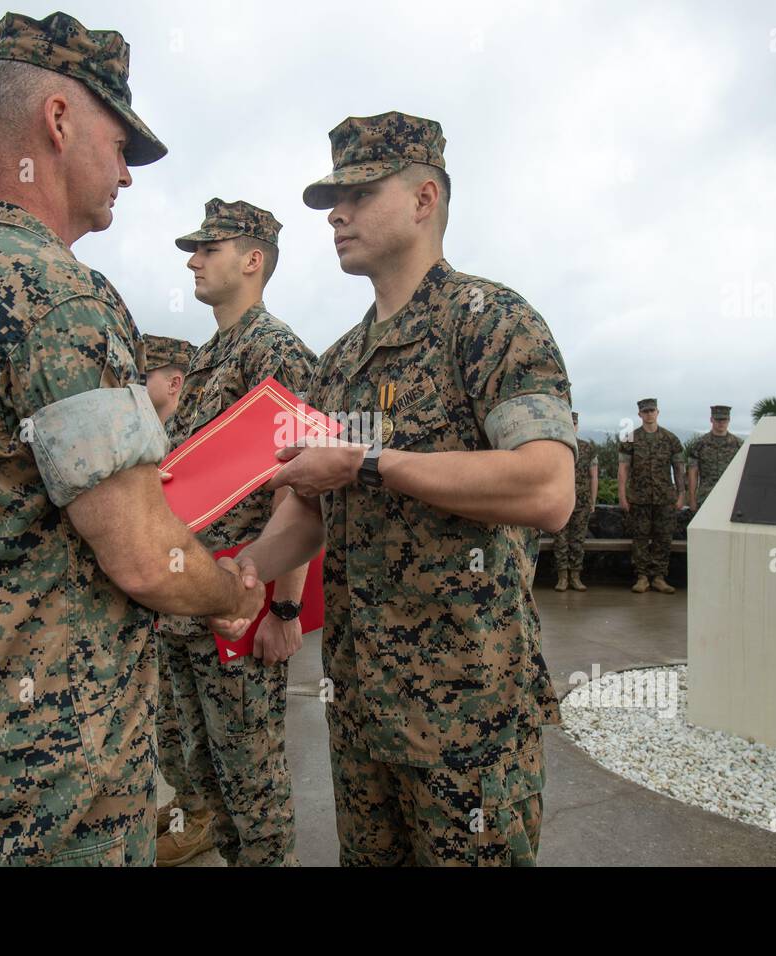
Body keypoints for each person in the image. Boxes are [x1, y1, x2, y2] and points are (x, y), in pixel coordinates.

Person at [0, 11, 262, 866]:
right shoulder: (57, 297)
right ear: (57, 120)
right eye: (121, 143)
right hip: (50, 780)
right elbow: (144, 557)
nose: (126, 172)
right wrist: (233, 593)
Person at [226, 111, 577, 866]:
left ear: (424, 199)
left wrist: (368, 461)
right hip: (361, 715)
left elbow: (548, 488)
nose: (336, 215)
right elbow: (308, 510)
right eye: (329, 201)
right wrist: (246, 573)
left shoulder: (490, 323)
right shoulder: (340, 361)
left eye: (356, 193)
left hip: (470, 722)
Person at [155, 198, 316, 867]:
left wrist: (284, 609)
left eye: (207, 248)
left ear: (252, 260)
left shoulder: (275, 353)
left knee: (252, 784)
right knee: (206, 776)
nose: (193, 260)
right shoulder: (211, 357)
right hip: (188, 610)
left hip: (241, 614)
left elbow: (303, 493)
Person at [139, 332, 216, 863]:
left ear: (172, 381)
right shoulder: (150, 438)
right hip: (163, 613)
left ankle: (206, 813)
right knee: (172, 722)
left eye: (138, 378)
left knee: (206, 726)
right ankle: (188, 800)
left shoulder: (194, 440)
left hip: (199, 609)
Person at [617, 398, 683, 594]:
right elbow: (623, 469)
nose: (649, 414)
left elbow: (679, 469)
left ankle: (659, 577)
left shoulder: (671, 439)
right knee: (640, 537)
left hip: (665, 497)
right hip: (639, 497)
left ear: (658, 412)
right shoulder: (630, 439)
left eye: (651, 410)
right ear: (639, 414)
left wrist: (682, 495)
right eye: (645, 411)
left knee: (664, 538)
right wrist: (622, 495)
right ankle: (643, 577)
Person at [553, 411, 598, 591]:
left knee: (578, 540)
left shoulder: (587, 448)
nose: (571, 426)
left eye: (574, 423)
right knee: (560, 540)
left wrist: (593, 501)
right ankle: (562, 577)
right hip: (559, 500)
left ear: (577, 426)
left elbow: (594, 476)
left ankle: (575, 576)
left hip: (581, 501)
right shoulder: (555, 447)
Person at [685, 404, 742, 513]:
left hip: (730, 497)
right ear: (711, 419)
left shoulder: (738, 445)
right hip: (706, 496)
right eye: (718, 419)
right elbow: (693, 472)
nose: (721, 423)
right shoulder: (700, 444)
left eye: (724, 420)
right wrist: (692, 499)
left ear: (729, 420)